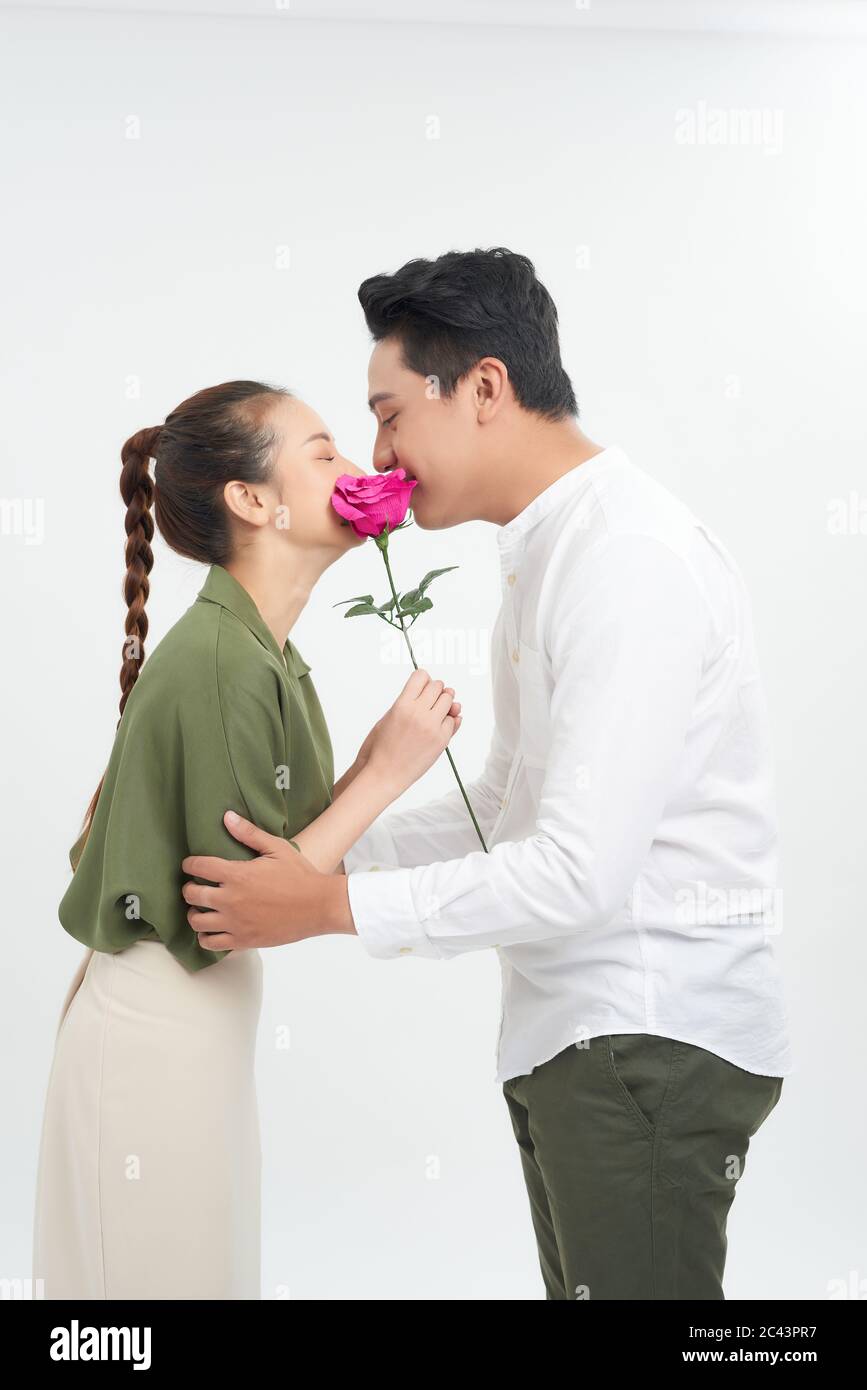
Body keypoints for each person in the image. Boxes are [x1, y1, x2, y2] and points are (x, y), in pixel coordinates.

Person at [182, 250, 793, 1301]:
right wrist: (316, 845)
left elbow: (576, 873)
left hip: (643, 1039)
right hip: (587, 1043)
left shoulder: (625, 557)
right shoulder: (549, 551)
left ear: (484, 389)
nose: (376, 453)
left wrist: (326, 902)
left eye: (386, 414)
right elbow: (507, 812)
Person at [32, 379, 461, 1300]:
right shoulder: (223, 657)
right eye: (324, 454)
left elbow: (284, 863)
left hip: (195, 1026)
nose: (360, 469)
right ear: (253, 501)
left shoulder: (260, 649)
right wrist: (383, 772)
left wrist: (375, 776)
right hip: (159, 1026)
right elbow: (239, 908)